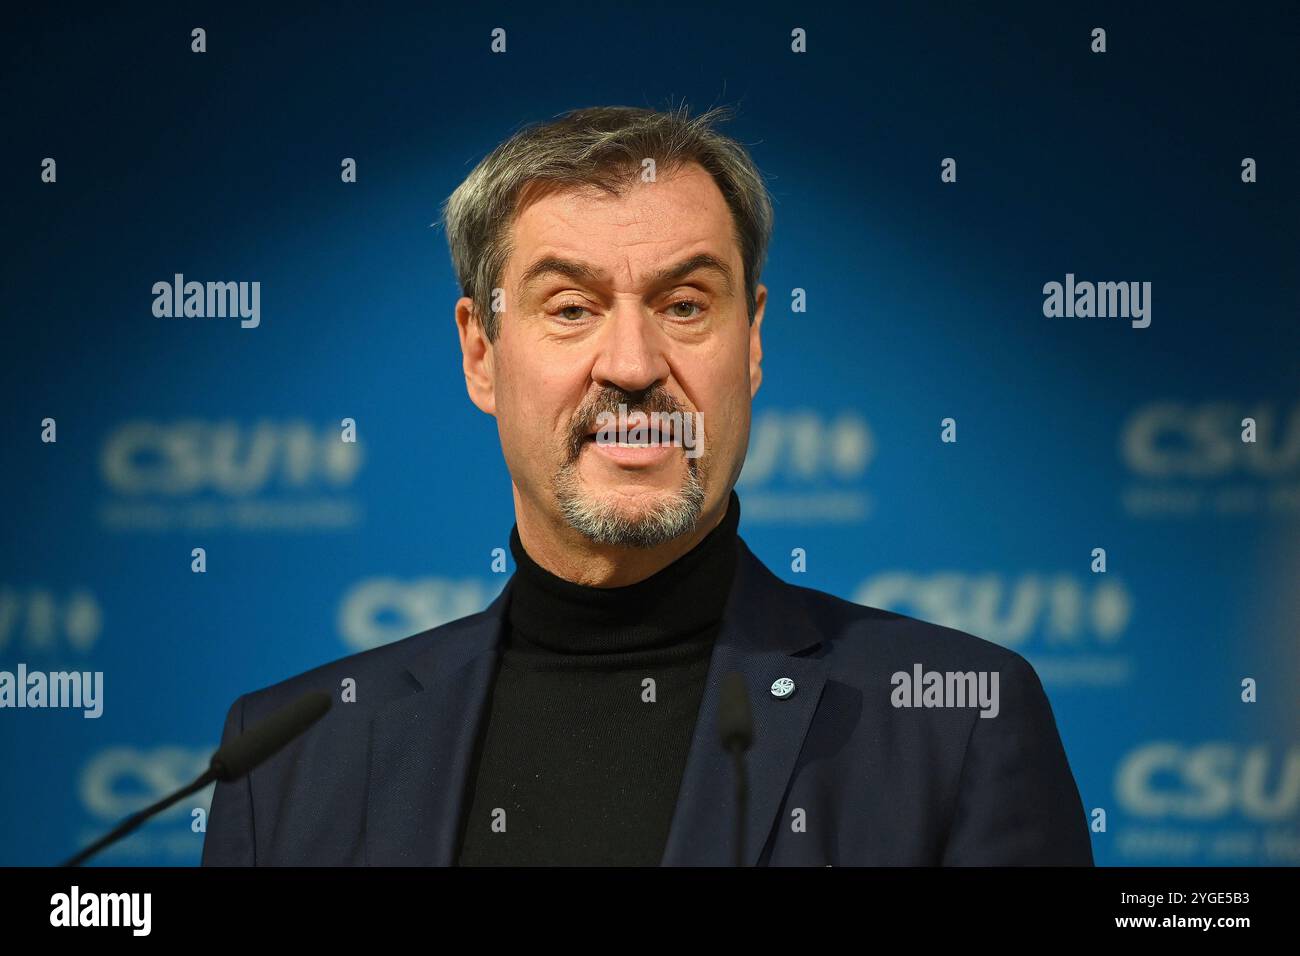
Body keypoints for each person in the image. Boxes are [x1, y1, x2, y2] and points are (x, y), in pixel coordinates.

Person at [201, 105, 1093, 866]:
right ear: (481, 353)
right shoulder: (289, 764)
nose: (632, 366)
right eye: (571, 308)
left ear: (751, 343)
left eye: (685, 305)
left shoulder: (959, 720)